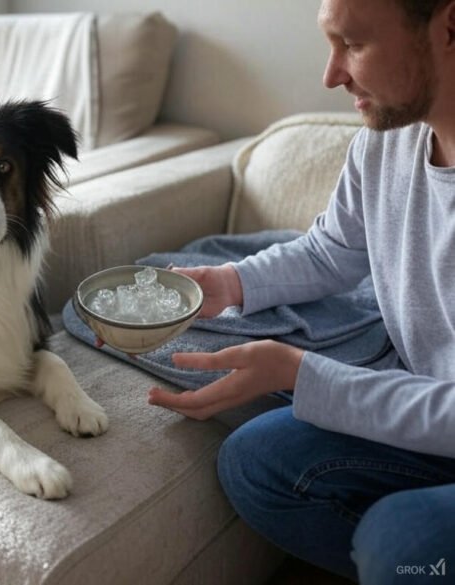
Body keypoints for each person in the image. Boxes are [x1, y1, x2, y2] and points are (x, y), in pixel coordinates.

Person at [146, 0, 455, 582]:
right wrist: (229, 283)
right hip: (432, 419)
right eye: (329, 43)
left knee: (401, 538)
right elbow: (331, 250)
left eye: (354, 45)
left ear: (449, 25)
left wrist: (304, 373)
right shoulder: (387, 138)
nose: (331, 74)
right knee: (255, 462)